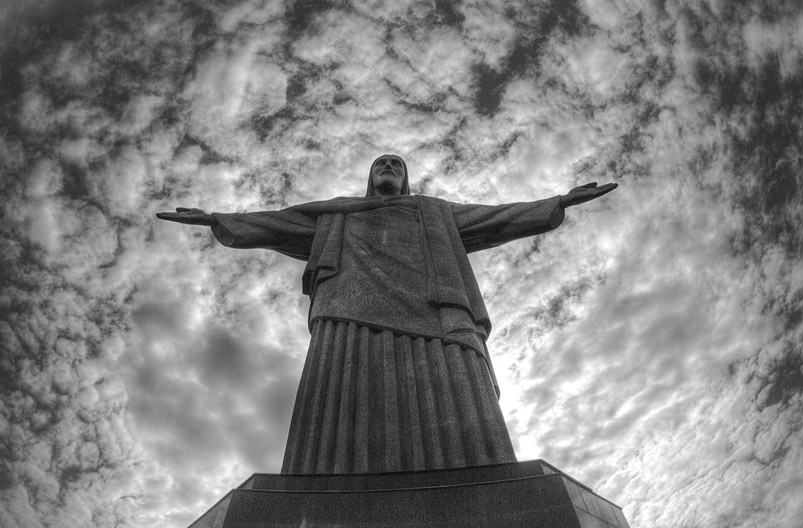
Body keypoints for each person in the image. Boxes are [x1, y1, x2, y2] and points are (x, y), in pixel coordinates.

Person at [158, 154, 616, 474]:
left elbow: (495, 218)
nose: (389, 168)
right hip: (346, 317)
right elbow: (275, 221)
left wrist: (556, 203)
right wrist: (217, 218)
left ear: (407, 178)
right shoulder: (337, 213)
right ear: (370, 176)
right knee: (340, 401)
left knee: (458, 398)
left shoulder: (433, 212)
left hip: (436, 314)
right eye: (382, 163)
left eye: (397, 164)